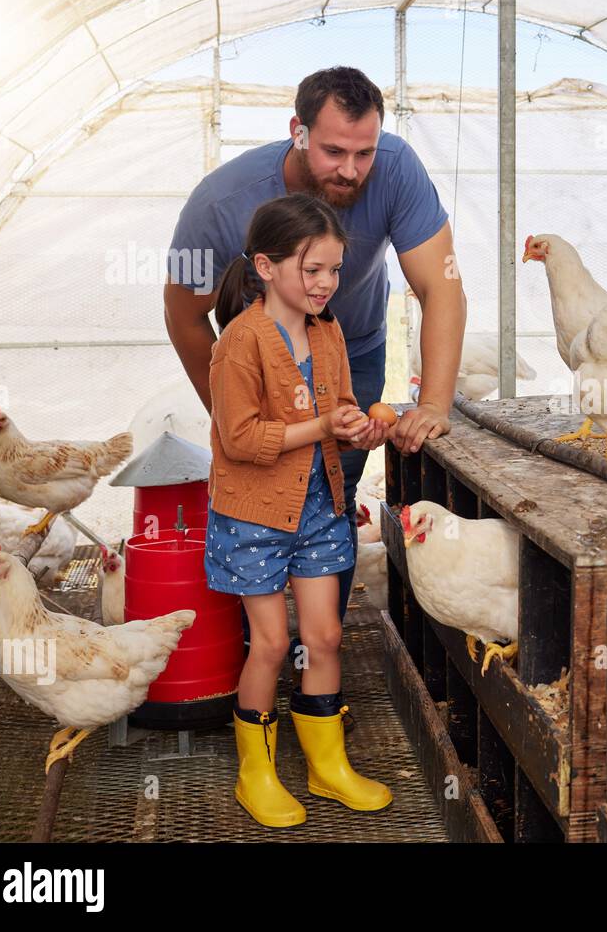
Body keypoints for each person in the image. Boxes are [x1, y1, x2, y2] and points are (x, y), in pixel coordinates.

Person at [164, 66, 466, 638]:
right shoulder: (219, 204)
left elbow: (441, 287)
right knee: (260, 498)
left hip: (352, 348)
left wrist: (437, 405)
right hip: (257, 363)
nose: (350, 170)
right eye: (333, 151)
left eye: (364, 153)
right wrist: (232, 415)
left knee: (332, 495)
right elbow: (183, 314)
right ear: (297, 132)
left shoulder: (397, 167)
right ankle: (264, 646)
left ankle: (323, 647)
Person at [207, 192, 392, 828]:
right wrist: (320, 426)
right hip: (254, 512)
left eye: (334, 270)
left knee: (325, 637)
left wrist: (359, 427)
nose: (324, 284)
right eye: (311, 270)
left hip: (319, 505)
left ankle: (326, 765)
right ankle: (255, 774)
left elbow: (337, 408)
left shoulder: (329, 330)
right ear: (265, 266)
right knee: (271, 642)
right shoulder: (240, 342)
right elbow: (240, 439)